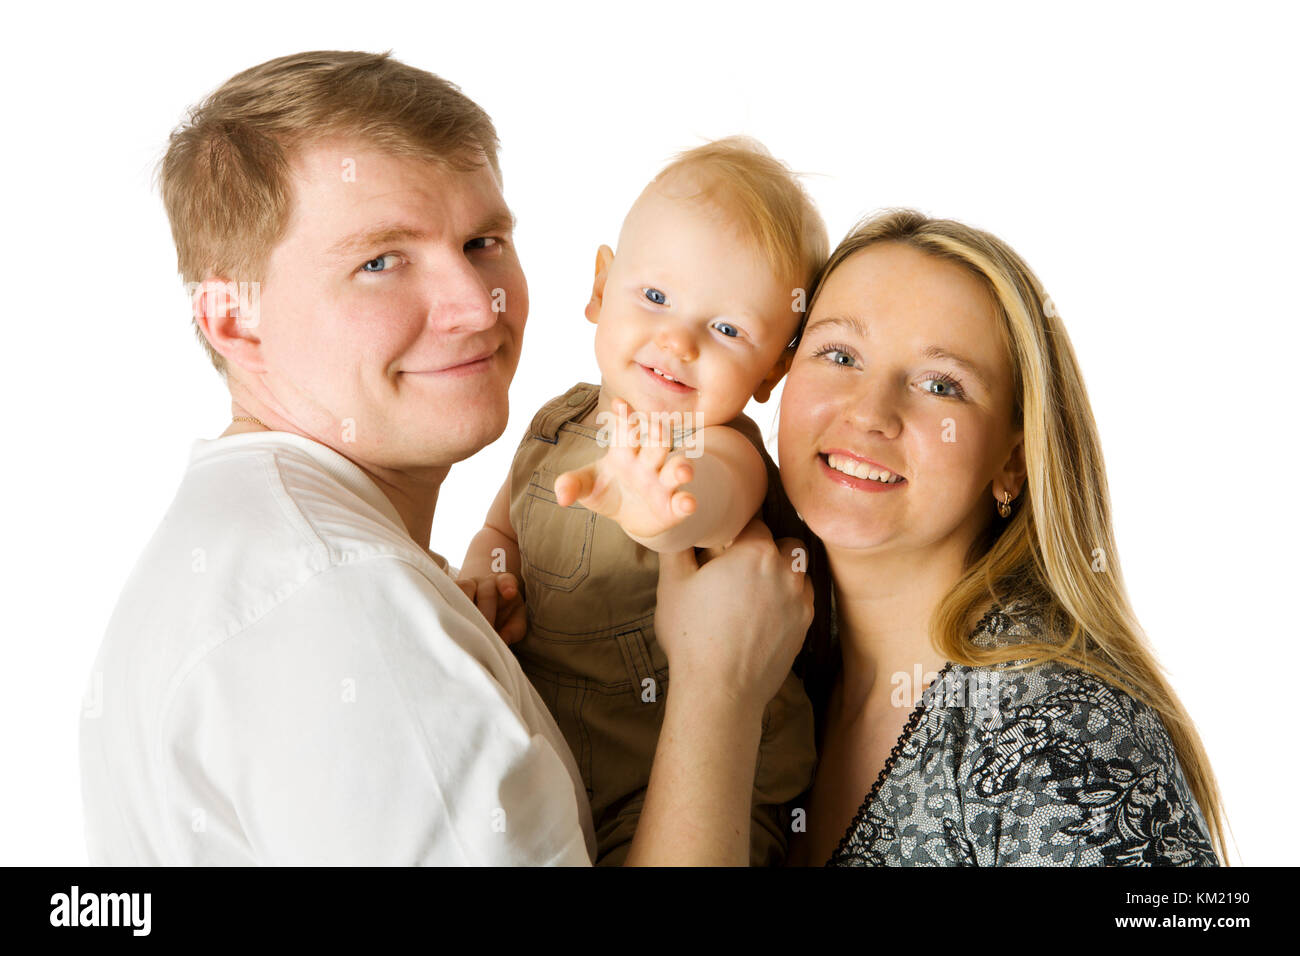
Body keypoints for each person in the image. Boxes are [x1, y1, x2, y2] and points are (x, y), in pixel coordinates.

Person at [78, 50, 813, 866]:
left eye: (482, 240)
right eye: (380, 261)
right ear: (236, 321)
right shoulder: (343, 606)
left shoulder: (254, 554)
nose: (475, 306)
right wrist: (718, 693)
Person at [724, 207, 1228, 865]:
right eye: (840, 354)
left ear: (1012, 460)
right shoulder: (774, 656)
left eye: (942, 385)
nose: (871, 413)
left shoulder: (1056, 737)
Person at [458, 138, 827, 865]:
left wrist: (656, 505)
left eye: (726, 329)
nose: (677, 340)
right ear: (601, 288)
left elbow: (713, 501)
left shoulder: (720, 446)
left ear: (773, 368)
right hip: (550, 752)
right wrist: (485, 572)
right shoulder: (560, 421)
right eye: (655, 298)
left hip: (684, 775)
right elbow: (503, 522)